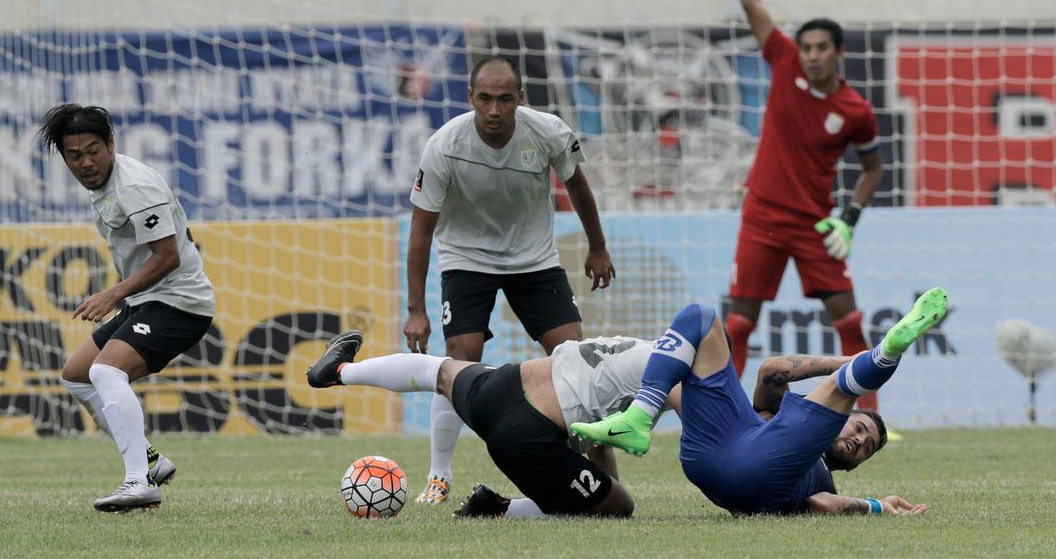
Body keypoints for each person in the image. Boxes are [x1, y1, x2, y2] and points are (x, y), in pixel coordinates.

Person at [403, 55, 616, 504]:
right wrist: (416, 309)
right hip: (466, 258)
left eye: (504, 99)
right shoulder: (444, 146)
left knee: (573, 358)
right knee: (461, 357)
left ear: (521, 97)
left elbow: (578, 186)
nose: (494, 110)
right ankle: (438, 477)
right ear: (470, 97)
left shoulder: (548, 132)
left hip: (534, 259)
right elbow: (421, 230)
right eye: (485, 99)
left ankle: (589, 469)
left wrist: (597, 246)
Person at [712, 0, 885, 412]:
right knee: (739, 321)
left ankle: (870, 418)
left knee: (849, 319)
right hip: (762, 214)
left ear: (838, 53)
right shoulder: (783, 62)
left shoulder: (855, 109)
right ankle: (728, 418)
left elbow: (873, 167)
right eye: (806, 47)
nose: (810, 55)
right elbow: (751, 3)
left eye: (820, 48)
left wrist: (849, 219)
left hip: (814, 222)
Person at [571, 288, 947, 516]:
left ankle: (887, 352)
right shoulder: (775, 412)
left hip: (751, 472)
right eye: (861, 428)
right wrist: (848, 361)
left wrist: (877, 505)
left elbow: (822, 504)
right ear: (845, 421)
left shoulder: (823, 478)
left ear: (854, 466)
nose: (859, 441)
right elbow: (771, 370)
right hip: (715, 445)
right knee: (701, 319)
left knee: (840, 389)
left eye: (866, 449)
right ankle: (638, 416)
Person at [41, 104, 215, 512]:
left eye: (93, 151)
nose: (86, 163)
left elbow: (167, 257)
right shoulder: (105, 184)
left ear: (111, 143)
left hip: (180, 302)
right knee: (77, 375)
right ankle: (151, 461)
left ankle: (137, 481)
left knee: (106, 372)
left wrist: (112, 294)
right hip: (148, 300)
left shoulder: (134, 185)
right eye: (74, 155)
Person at [306, 331, 677, 518]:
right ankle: (500, 509)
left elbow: (600, 430)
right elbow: (700, 440)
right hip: (527, 439)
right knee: (620, 506)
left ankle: (340, 371)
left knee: (440, 372)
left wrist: (602, 477)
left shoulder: (640, 347)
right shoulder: (676, 374)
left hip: (503, 385)